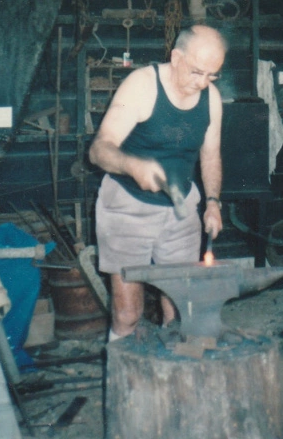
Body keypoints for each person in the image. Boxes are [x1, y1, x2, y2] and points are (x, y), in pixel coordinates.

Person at [89, 24, 226, 341]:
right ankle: (126, 383)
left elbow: (210, 157)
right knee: (127, 315)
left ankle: (172, 378)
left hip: (180, 211)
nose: (202, 83)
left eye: (212, 75)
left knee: (179, 310)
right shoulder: (142, 85)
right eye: (196, 72)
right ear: (176, 57)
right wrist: (131, 164)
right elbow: (98, 150)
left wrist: (213, 203)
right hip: (126, 208)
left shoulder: (211, 98)